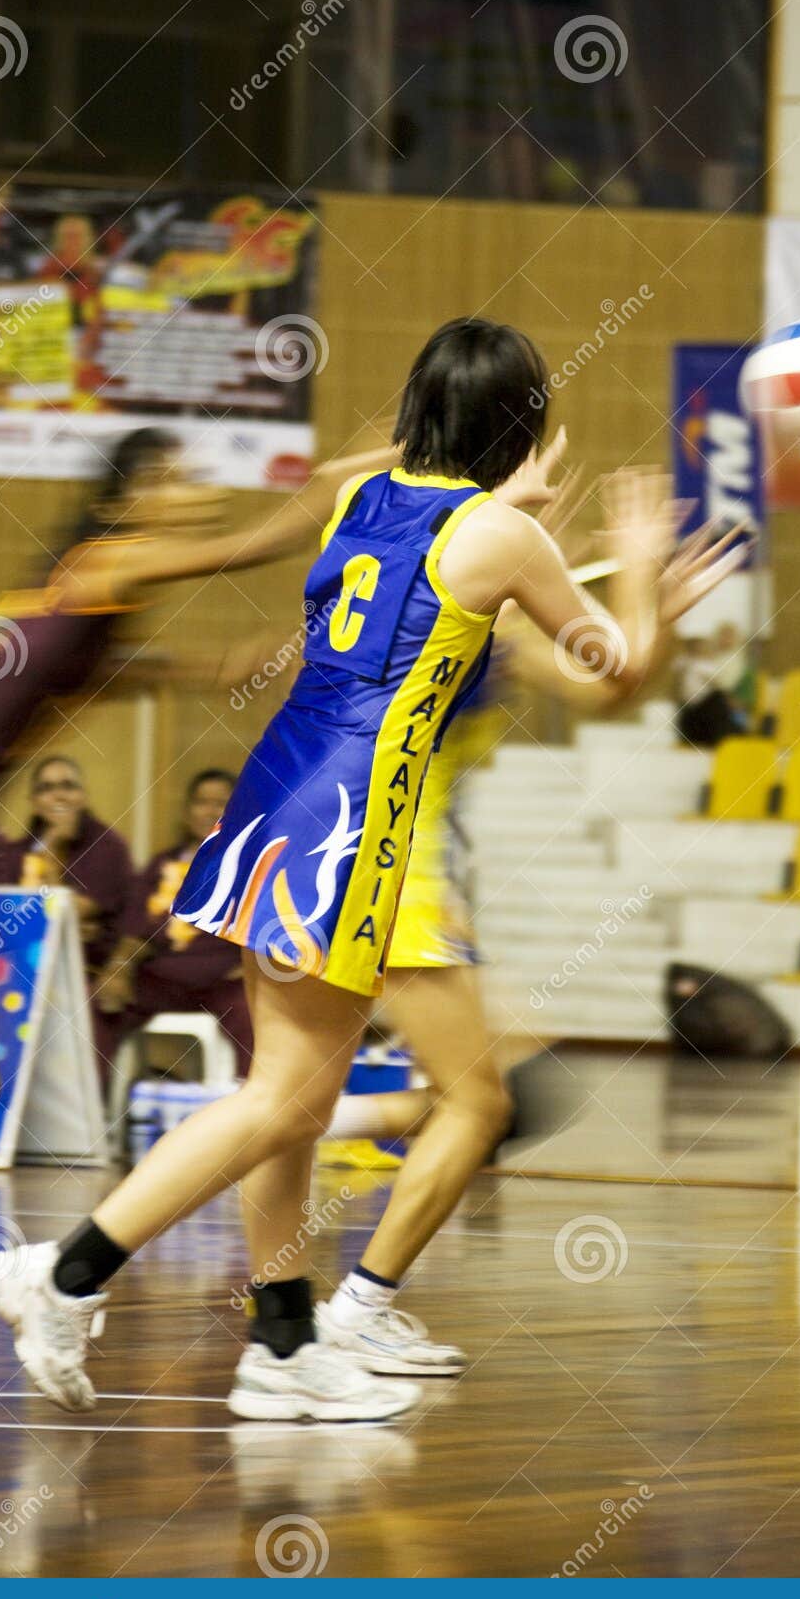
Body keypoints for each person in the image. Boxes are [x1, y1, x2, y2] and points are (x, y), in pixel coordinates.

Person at [0, 316, 677, 1425]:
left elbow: (428, 571)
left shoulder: (368, 502)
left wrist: (520, 516)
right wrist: (639, 574)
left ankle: (282, 1342)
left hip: (274, 795)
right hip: (351, 827)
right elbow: (618, 662)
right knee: (280, 1099)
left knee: (296, 1101)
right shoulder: (502, 535)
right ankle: (61, 1273)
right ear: (522, 426)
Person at [314, 508, 745, 1375]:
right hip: (397, 878)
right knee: (485, 1104)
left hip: (334, 858)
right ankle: (349, 1307)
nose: (546, 501)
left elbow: (607, 676)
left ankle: (272, 1321)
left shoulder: (403, 571)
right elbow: (611, 678)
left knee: (452, 1094)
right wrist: (634, 577)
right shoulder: (473, 597)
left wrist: (642, 598)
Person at [0, 422, 396, 1154]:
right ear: (135, 497)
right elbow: (254, 546)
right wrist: (342, 488)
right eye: (181, 479)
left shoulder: (80, 586)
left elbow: (108, 676)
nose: (200, 493)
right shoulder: (112, 562)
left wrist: (212, 668)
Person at [95, 768, 253, 1077]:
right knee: (94, 1002)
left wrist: (253, 966)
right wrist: (118, 969)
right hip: (162, 979)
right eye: (201, 802)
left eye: (221, 803)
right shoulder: (161, 864)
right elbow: (134, 931)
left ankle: (253, 1116)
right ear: (187, 812)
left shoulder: (249, 864)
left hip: (223, 982)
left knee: (254, 1012)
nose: (209, 810)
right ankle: (92, 1113)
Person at [5, 754, 133, 983]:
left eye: (68, 786)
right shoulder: (17, 851)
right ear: (34, 802)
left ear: (83, 797)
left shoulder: (109, 846)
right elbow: (4, 917)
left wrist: (54, 849)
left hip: (86, 973)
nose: (58, 795)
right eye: (46, 788)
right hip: (22, 966)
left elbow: (67, 914)